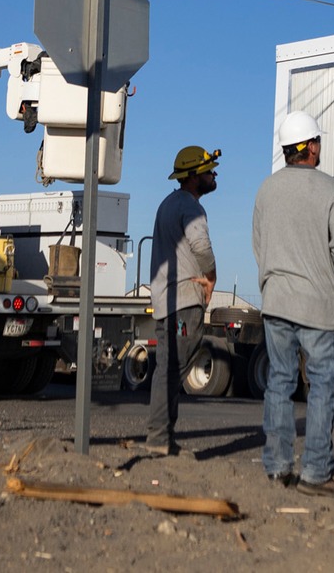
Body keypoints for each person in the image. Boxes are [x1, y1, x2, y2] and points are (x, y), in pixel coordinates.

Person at [251, 110, 334, 496]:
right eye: (318, 141)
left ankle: (277, 467)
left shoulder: (266, 189)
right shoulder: (331, 190)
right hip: (318, 305)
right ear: (310, 147)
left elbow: (259, 244)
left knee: (279, 382)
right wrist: (323, 270)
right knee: (323, 385)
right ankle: (315, 473)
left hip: (276, 301)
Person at [145, 144, 219, 455]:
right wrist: (211, 276)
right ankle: (159, 438)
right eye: (208, 170)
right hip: (184, 303)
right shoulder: (191, 207)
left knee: (167, 367)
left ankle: (161, 437)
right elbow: (200, 245)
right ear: (193, 175)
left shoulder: (167, 205)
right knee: (172, 369)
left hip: (166, 302)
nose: (213, 175)